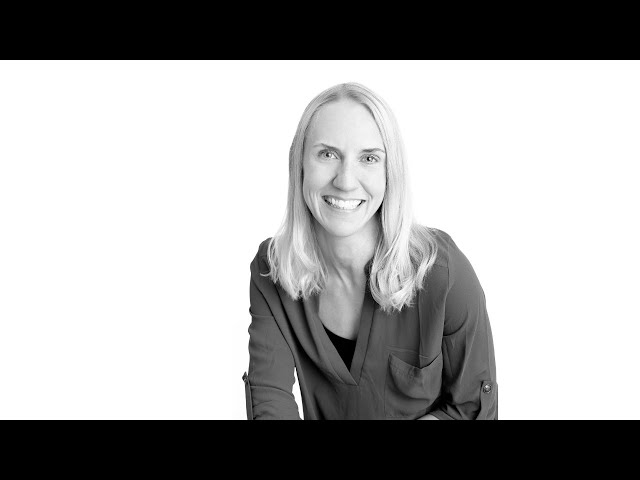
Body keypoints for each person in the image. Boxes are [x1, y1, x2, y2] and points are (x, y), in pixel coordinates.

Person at [243, 82, 497, 420]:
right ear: (299, 163)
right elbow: (271, 400)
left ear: (389, 173)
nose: (346, 181)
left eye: (368, 158)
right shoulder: (273, 267)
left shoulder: (443, 272)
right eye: (327, 154)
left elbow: (471, 408)